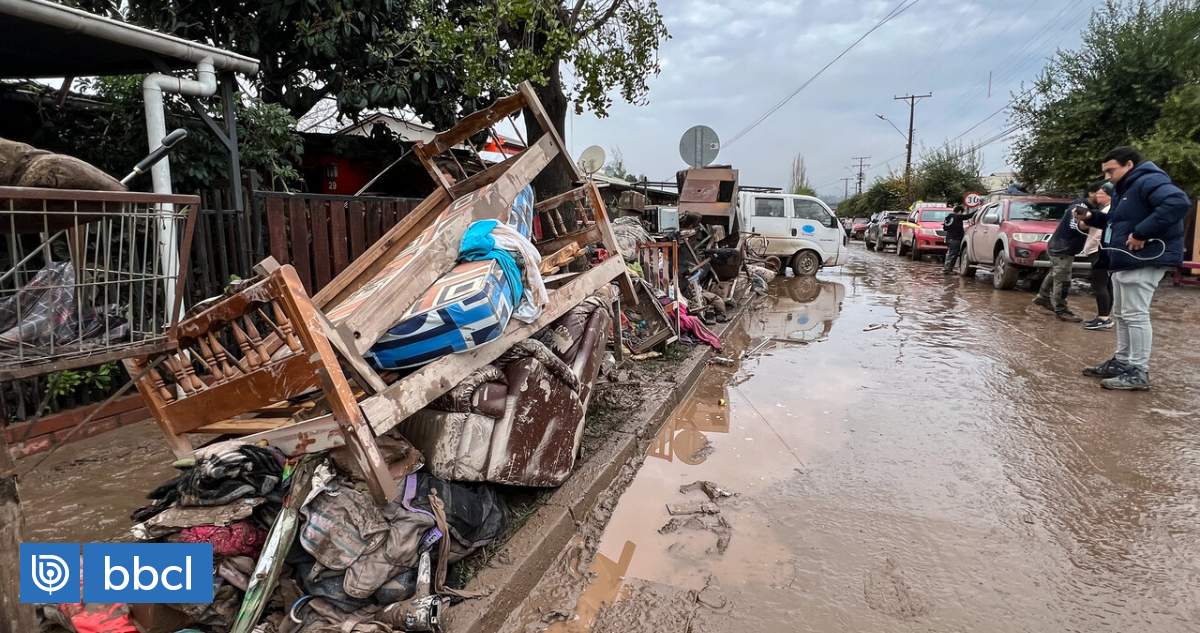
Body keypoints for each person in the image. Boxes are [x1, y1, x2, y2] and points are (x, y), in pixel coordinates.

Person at [1077, 146, 1190, 390]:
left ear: (1129, 165)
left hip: (1145, 257)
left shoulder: (1148, 180)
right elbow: (1118, 221)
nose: (1107, 177)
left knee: (1135, 314)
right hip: (1125, 259)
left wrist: (1142, 233)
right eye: (1105, 172)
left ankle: (1138, 371)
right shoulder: (1126, 188)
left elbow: (1177, 203)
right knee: (1123, 314)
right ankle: (1123, 362)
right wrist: (1091, 218)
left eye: (1111, 170)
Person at [1033, 184, 1098, 322]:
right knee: (1063, 279)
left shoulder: (1088, 207)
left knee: (1056, 273)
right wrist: (1100, 221)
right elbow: (1076, 226)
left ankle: (1043, 297)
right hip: (1062, 248)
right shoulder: (1079, 206)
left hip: (1061, 246)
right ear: (1092, 193)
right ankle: (1061, 309)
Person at [1082, 181, 1114, 330]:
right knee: (1107, 284)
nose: (1098, 195)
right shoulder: (1107, 208)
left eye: (1101, 193)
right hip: (1101, 249)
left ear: (1109, 195)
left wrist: (1083, 216)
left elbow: (1100, 228)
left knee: (1099, 284)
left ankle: (1104, 317)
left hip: (1099, 249)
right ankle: (1105, 316)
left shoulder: (1108, 210)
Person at [942, 204, 972, 274]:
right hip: (955, 238)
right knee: (952, 254)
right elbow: (968, 216)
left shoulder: (949, 217)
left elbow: (945, 228)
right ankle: (948, 270)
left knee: (950, 253)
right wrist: (977, 211)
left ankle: (947, 268)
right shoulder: (957, 217)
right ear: (960, 212)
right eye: (961, 212)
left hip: (949, 237)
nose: (961, 214)